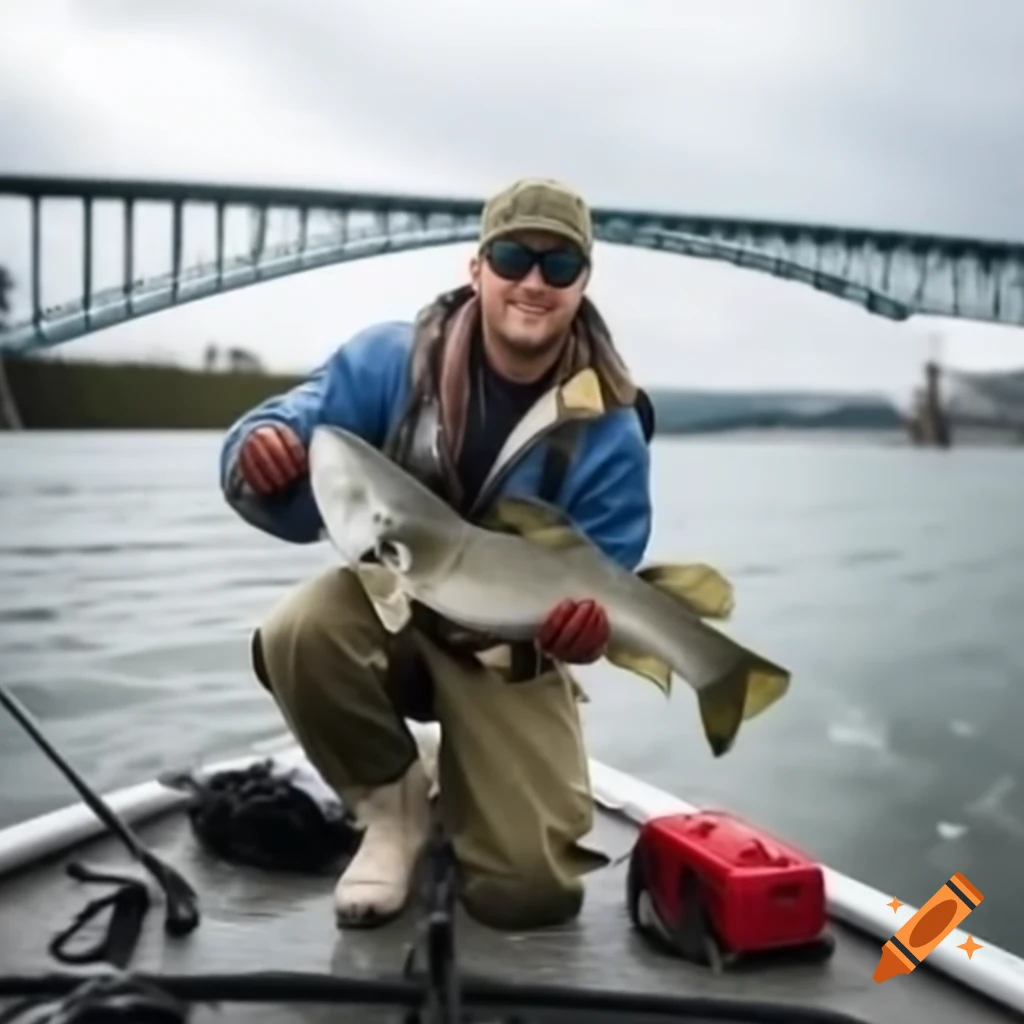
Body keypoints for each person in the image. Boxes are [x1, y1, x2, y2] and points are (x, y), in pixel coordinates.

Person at [218, 177, 654, 932]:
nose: (532, 282)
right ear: (476, 267)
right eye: (514, 256)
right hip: (386, 616)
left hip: (509, 656)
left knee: (529, 898)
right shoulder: (389, 360)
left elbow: (607, 572)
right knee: (298, 631)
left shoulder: (611, 429)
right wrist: (259, 451)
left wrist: (590, 632)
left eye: (558, 267)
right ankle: (393, 813)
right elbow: (296, 428)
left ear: (583, 282)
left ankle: (471, 789)